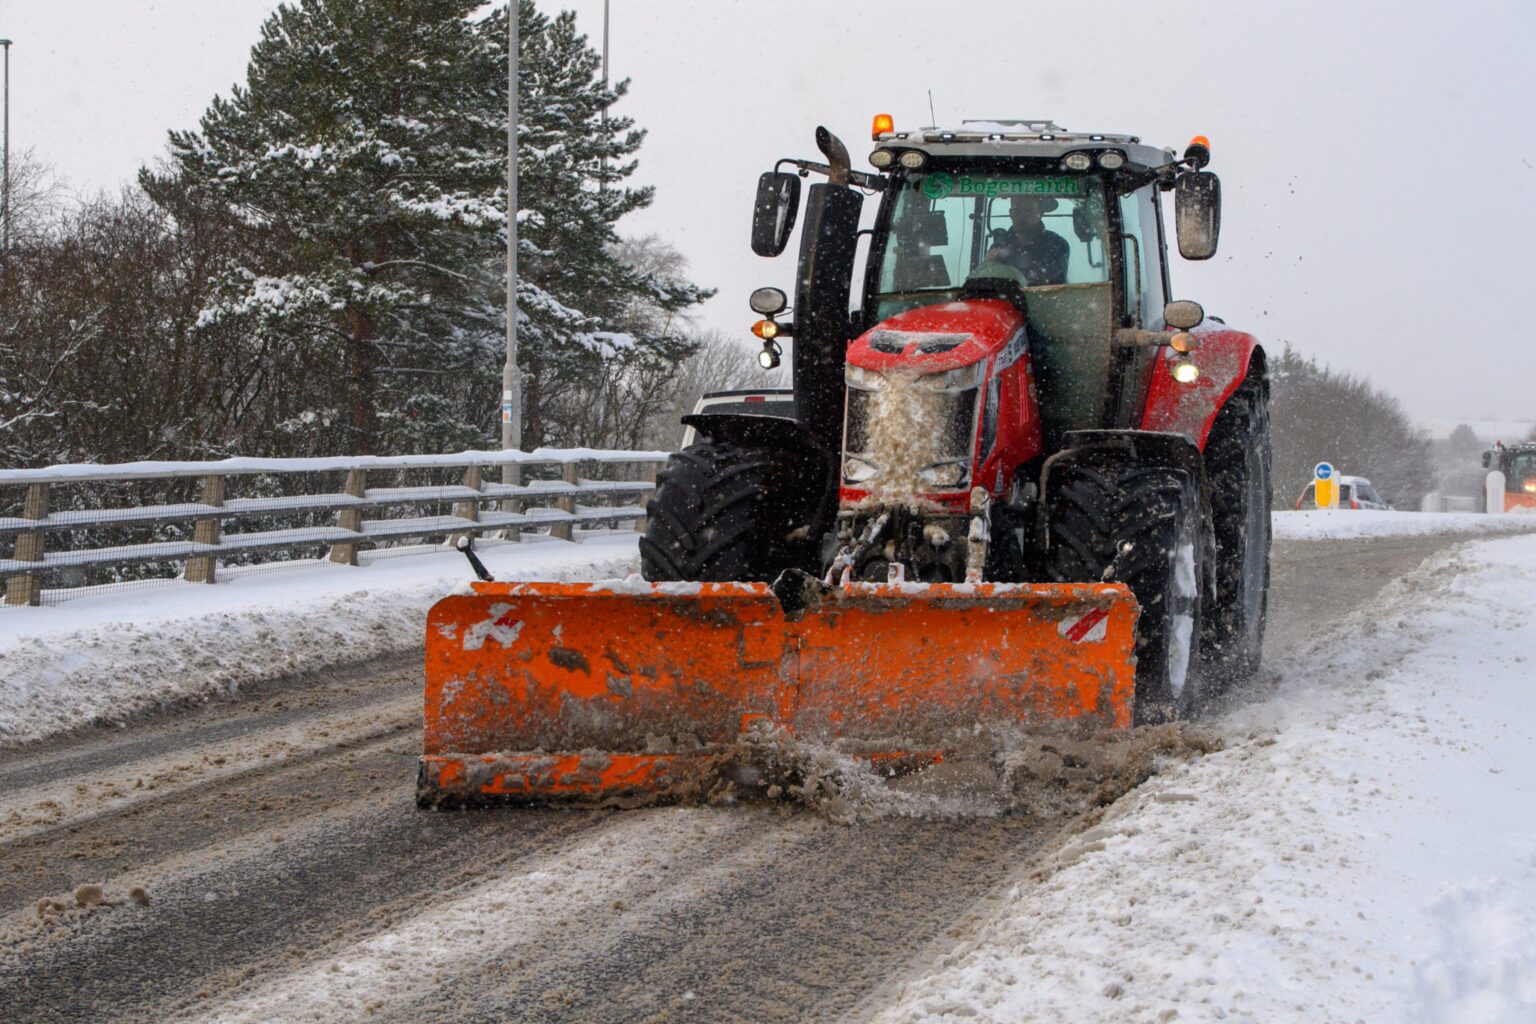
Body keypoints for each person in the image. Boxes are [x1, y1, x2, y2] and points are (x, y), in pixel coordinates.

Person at [983, 195, 1070, 285]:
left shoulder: (1057, 244)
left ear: (1040, 213)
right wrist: (988, 265)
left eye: (1028, 210)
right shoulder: (1000, 244)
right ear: (1010, 213)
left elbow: (1055, 282)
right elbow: (987, 280)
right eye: (1017, 210)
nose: (1022, 216)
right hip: (1007, 297)